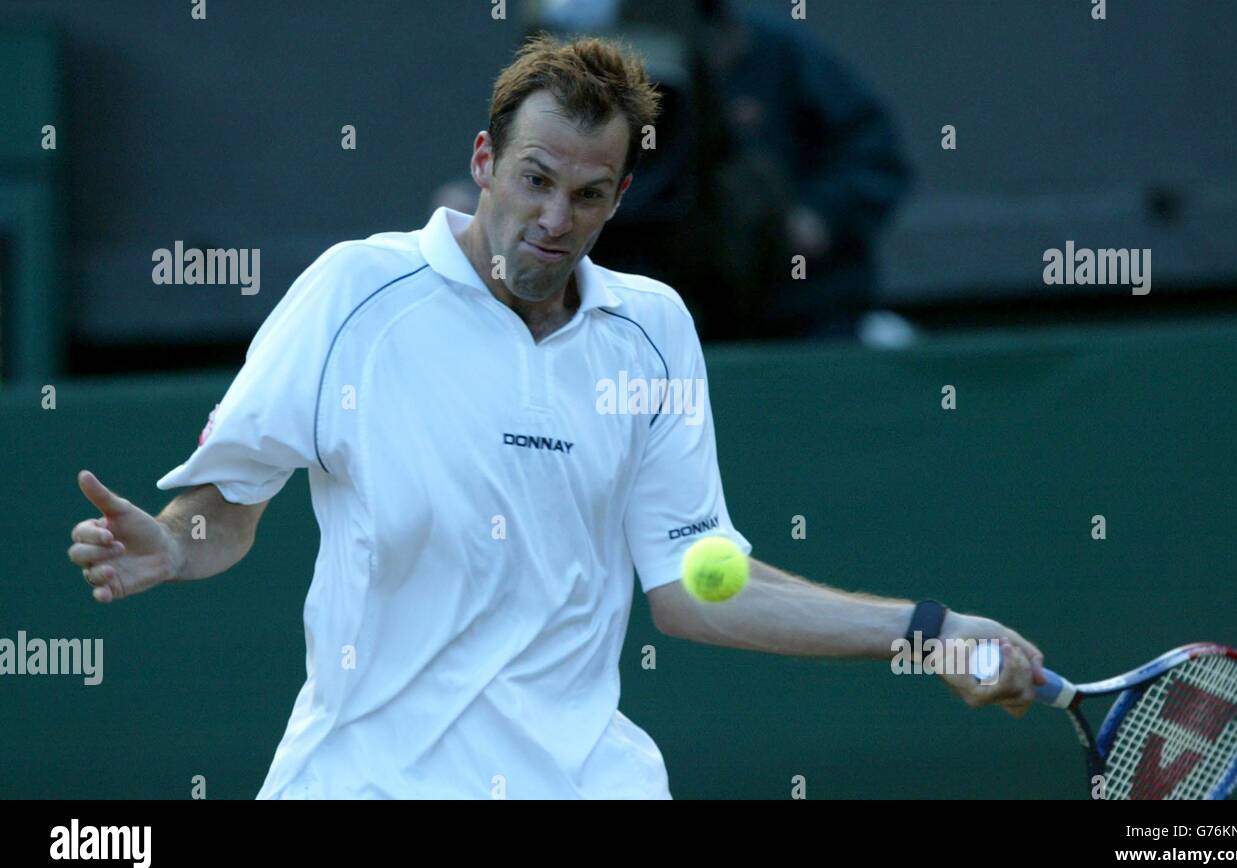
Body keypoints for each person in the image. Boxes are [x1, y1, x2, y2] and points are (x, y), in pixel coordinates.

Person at [67, 35, 1043, 799]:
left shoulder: (651, 329)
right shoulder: (356, 291)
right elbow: (225, 506)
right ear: (485, 160)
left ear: (618, 195)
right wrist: (172, 544)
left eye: (585, 195)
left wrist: (928, 629)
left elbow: (696, 585)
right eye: (534, 179)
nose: (552, 219)